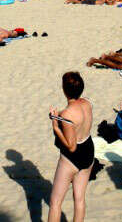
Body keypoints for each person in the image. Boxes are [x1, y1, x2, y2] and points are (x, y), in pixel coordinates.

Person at [48, 71, 93, 222]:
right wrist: (58, 115)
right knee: (79, 199)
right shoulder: (86, 103)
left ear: (64, 90)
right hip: (88, 150)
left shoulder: (67, 114)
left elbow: (71, 146)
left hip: (73, 156)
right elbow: (76, 115)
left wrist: (55, 126)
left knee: (55, 203)